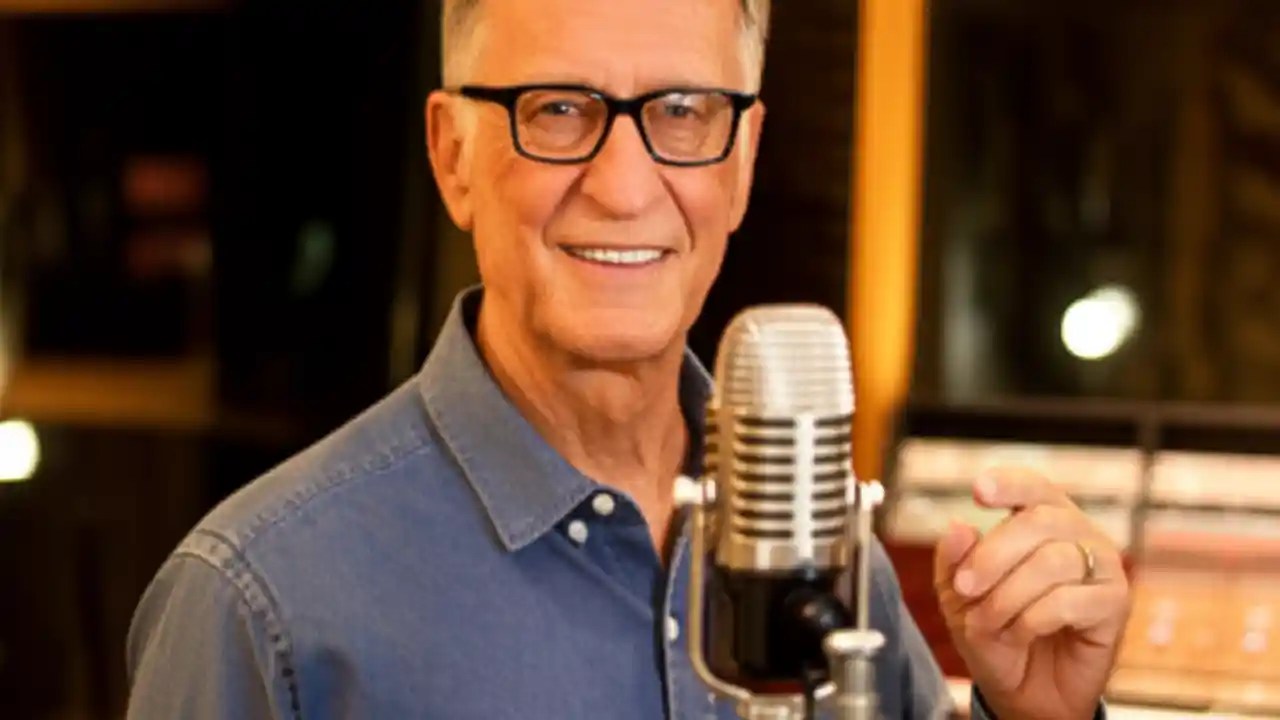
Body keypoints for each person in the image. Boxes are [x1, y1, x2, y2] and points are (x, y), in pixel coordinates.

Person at [125, 1, 1131, 718]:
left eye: (682, 110)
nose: (622, 185)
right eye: (558, 109)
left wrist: (1036, 718)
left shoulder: (818, 542)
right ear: (451, 154)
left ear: (743, 161)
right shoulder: (256, 605)